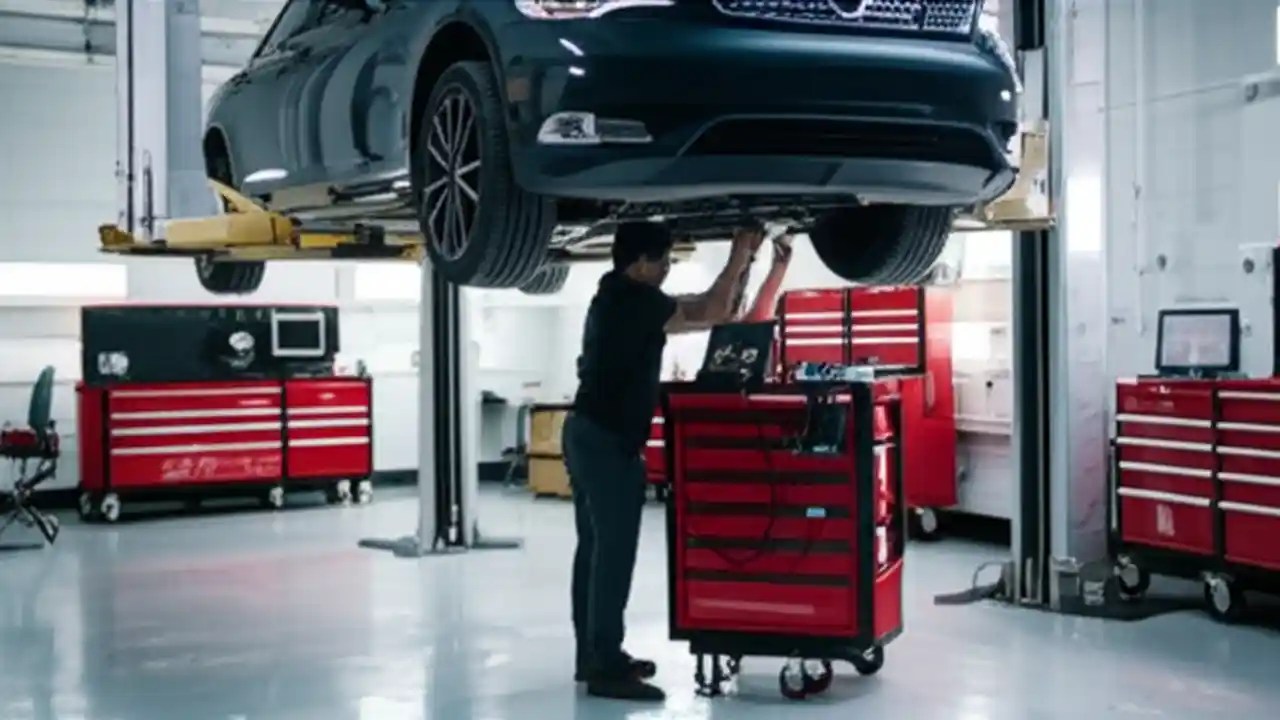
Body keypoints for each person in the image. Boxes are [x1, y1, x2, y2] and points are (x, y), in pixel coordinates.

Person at [563, 221, 769, 701]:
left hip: (587, 434)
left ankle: (593, 657)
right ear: (638, 263)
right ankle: (605, 666)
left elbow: (715, 308)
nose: (667, 266)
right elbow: (715, 310)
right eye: (662, 260)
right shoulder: (635, 302)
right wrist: (739, 249)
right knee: (613, 555)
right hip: (607, 444)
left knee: (593, 551)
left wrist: (748, 260)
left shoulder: (615, 295)